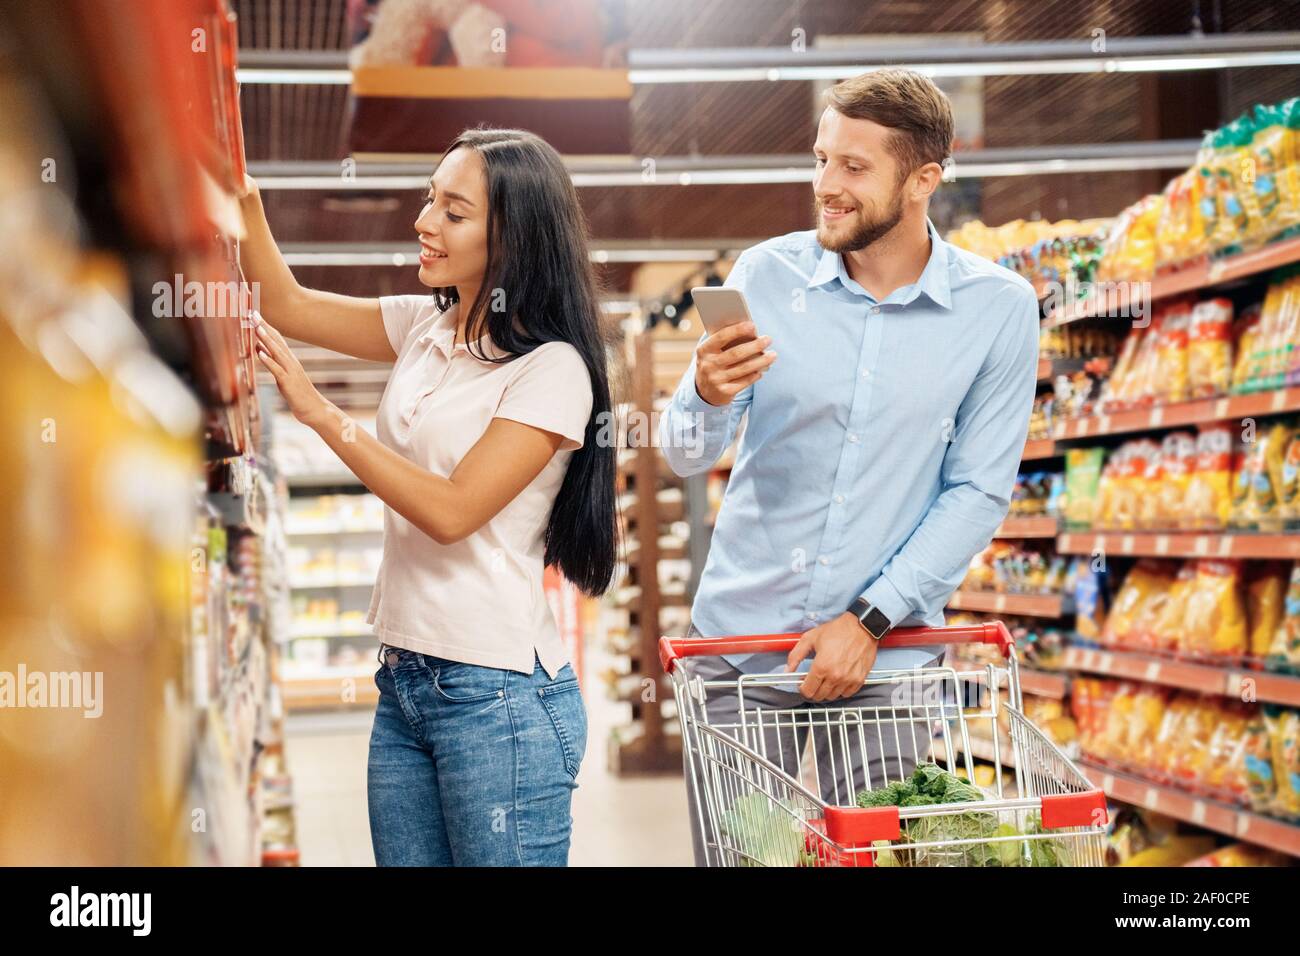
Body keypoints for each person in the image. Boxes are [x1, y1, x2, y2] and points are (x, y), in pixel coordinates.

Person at [658, 69, 1040, 865]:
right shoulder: (767, 276)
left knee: (871, 863)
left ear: (923, 180)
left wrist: (869, 620)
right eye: (821, 159)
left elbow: (977, 490)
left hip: (886, 662)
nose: (825, 186)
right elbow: (685, 455)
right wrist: (700, 392)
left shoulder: (998, 309)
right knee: (745, 861)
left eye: (854, 168)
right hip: (740, 653)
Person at [241, 128, 618, 866]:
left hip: (498, 697)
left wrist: (322, 415)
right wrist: (241, 195)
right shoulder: (426, 325)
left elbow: (451, 510)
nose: (424, 221)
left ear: (512, 236)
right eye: (429, 200)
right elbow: (285, 302)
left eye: (453, 210)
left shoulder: (553, 370)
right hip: (406, 680)